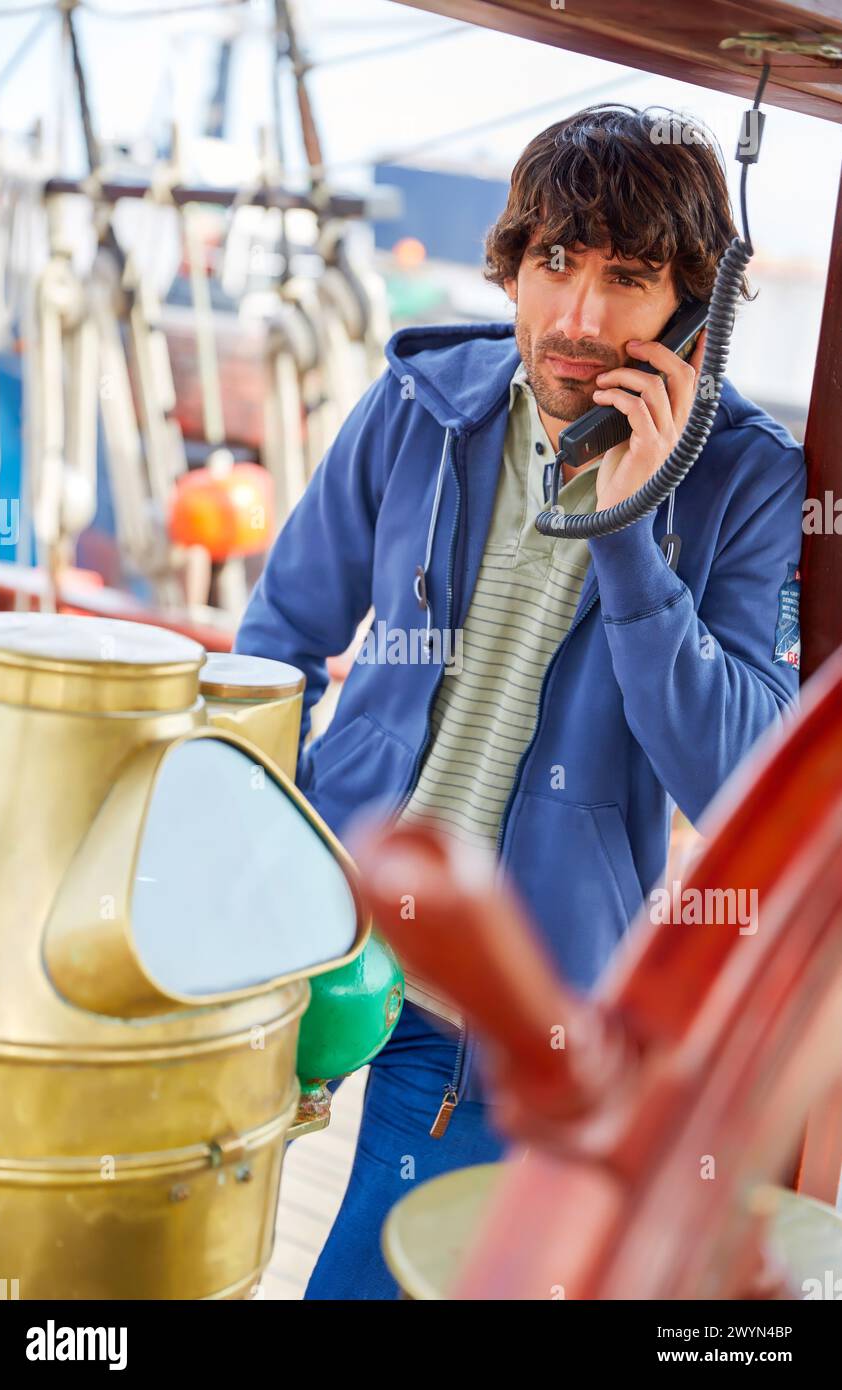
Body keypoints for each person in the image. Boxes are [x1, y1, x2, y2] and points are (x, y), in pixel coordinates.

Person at [235, 104, 806, 1299]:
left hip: (492, 1003)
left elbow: (736, 775)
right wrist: (250, 858)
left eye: (629, 279)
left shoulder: (747, 478)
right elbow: (282, 636)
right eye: (553, 264)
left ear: (691, 311)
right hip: (313, 937)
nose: (580, 320)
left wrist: (631, 535)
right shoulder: (419, 402)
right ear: (510, 265)